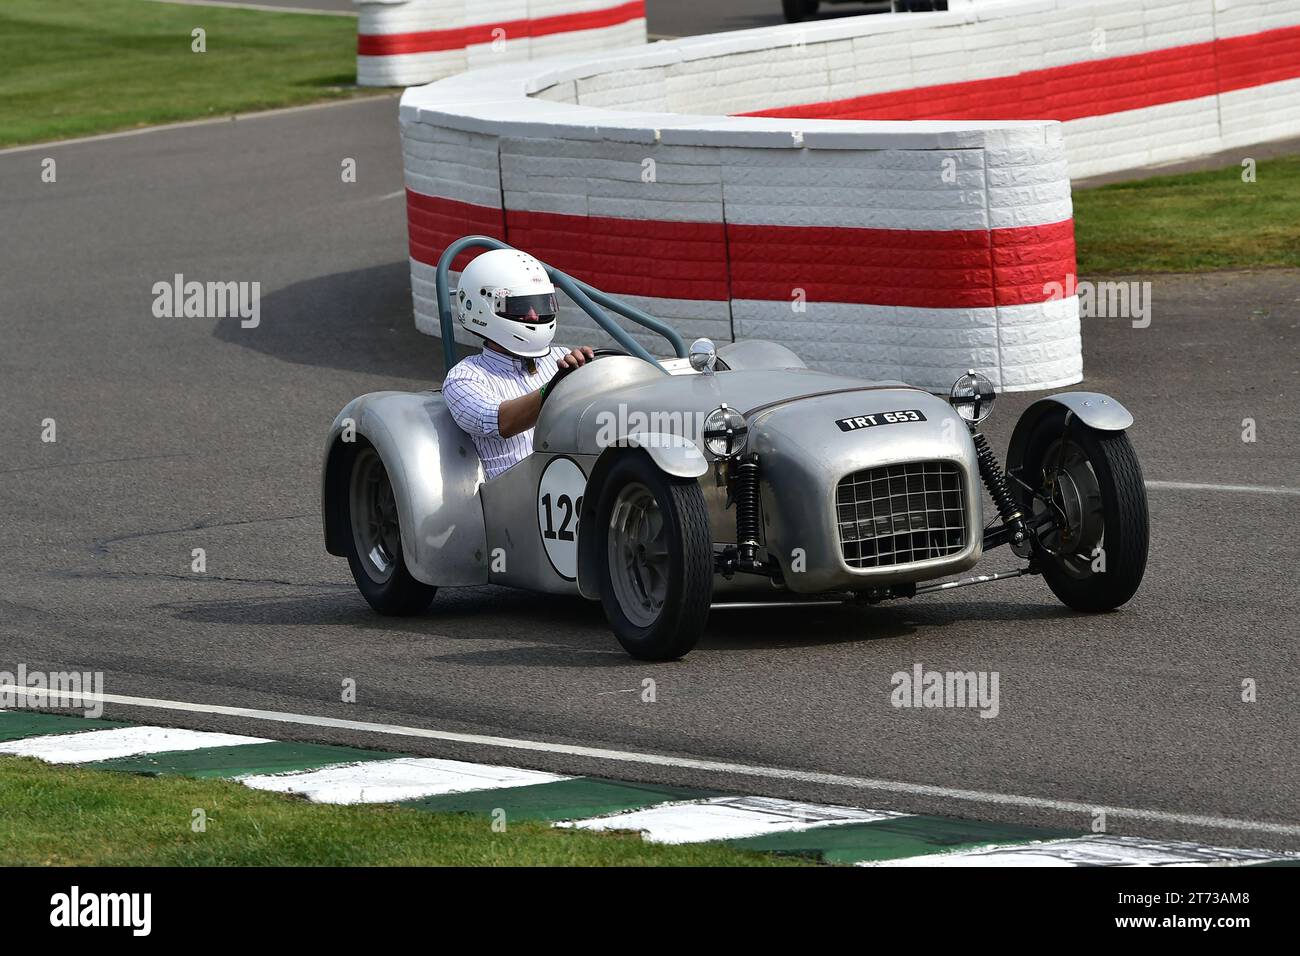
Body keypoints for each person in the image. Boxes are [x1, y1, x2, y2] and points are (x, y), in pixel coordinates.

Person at [441, 249, 595, 479]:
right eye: (520, 307)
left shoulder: (563, 358)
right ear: (483, 308)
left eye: (541, 304)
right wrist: (556, 388)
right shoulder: (464, 377)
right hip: (517, 496)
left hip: (577, 477)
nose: (534, 316)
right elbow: (503, 421)